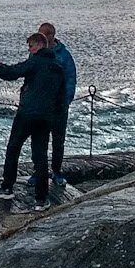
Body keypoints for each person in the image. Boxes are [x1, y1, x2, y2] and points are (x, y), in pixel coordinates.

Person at [0, 31, 68, 207]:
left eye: (31, 46)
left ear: (40, 45)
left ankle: (7, 188)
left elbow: (14, 72)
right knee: (40, 156)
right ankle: (41, 199)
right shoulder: (58, 66)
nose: (29, 49)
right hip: (46, 117)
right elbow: (62, 96)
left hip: (27, 114)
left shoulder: (35, 62)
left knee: (13, 148)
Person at [36, 21, 77, 188]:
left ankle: (57, 172)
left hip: (59, 107)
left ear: (52, 36)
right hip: (41, 106)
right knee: (40, 141)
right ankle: (39, 173)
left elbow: (70, 80)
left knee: (58, 141)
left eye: (43, 35)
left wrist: (64, 102)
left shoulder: (64, 56)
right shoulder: (36, 53)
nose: (40, 38)